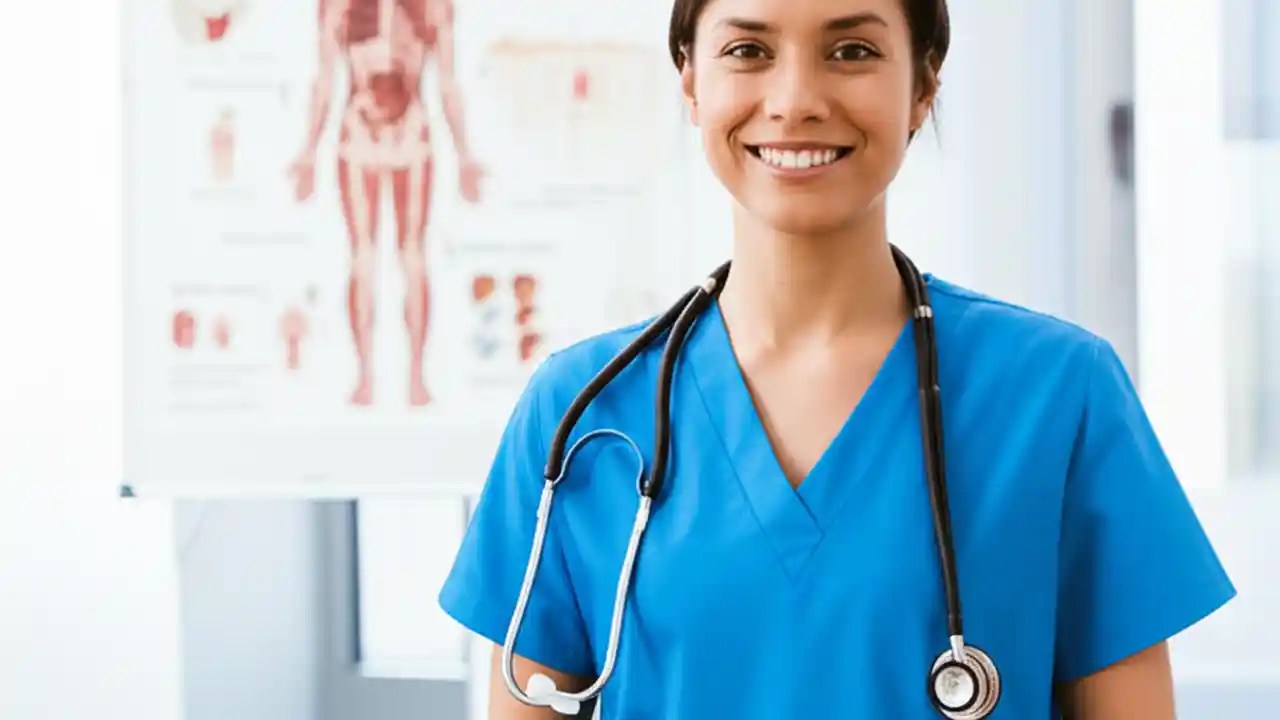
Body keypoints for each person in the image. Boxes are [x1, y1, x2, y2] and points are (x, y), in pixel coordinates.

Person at [437, 0, 1236, 717]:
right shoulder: (579, 412)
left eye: (851, 51)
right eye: (748, 51)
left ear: (924, 86)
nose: (795, 100)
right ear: (689, 83)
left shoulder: (1058, 396)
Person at [290, 0, 483, 406]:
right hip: (364, 132)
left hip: (402, 131)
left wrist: (466, 154)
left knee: (405, 255)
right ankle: (370, 376)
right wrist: (307, 150)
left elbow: (448, 82)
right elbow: (324, 81)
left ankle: (412, 375)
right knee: (371, 254)